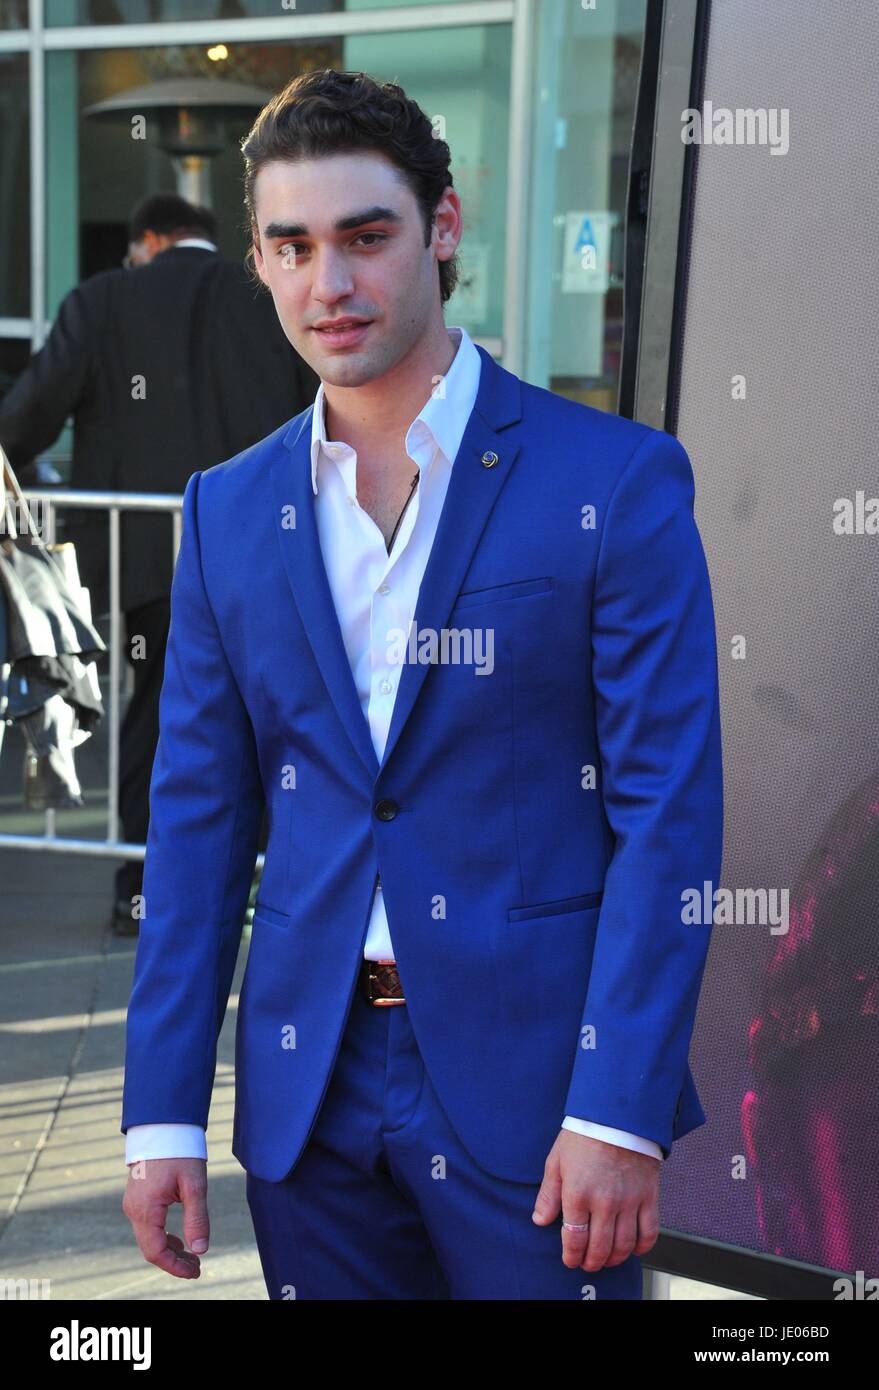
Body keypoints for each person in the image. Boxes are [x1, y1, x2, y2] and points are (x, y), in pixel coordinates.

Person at [120, 69, 724, 1300]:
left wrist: (621, 1110)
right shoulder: (227, 511)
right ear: (258, 258)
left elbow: (668, 811)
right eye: (292, 246)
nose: (328, 285)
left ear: (443, 231)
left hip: (546, 1094)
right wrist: (160, 1116)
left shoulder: (613, 481)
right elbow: (194, 826)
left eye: (365, 237)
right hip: (311, 1088)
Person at [0, 194, 320, 934]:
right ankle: (255, 878)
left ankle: (142, 888)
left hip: (144, 556)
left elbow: (31, 414)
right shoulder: (271, 295)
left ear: (147, 240)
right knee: (264, 713)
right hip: (265, 547)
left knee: (156, 710)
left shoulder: (103, 298)